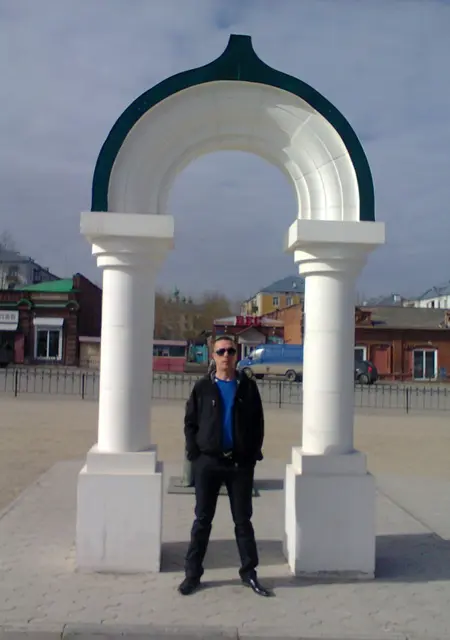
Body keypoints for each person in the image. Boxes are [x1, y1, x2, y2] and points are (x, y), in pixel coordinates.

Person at [178, 335, 272, 597]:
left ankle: (249, 573)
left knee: (243, 520)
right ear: (213, 356)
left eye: (230, 351)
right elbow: (190, 422)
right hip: (208, 463)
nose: (226, 356)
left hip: (239, 465)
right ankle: (192, 575)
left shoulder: (247, 387)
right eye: (221, 352)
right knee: (202, 520)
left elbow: (258, 422)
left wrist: (252, 454)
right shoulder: (203, 387)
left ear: (236, 355)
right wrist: (194, 454)